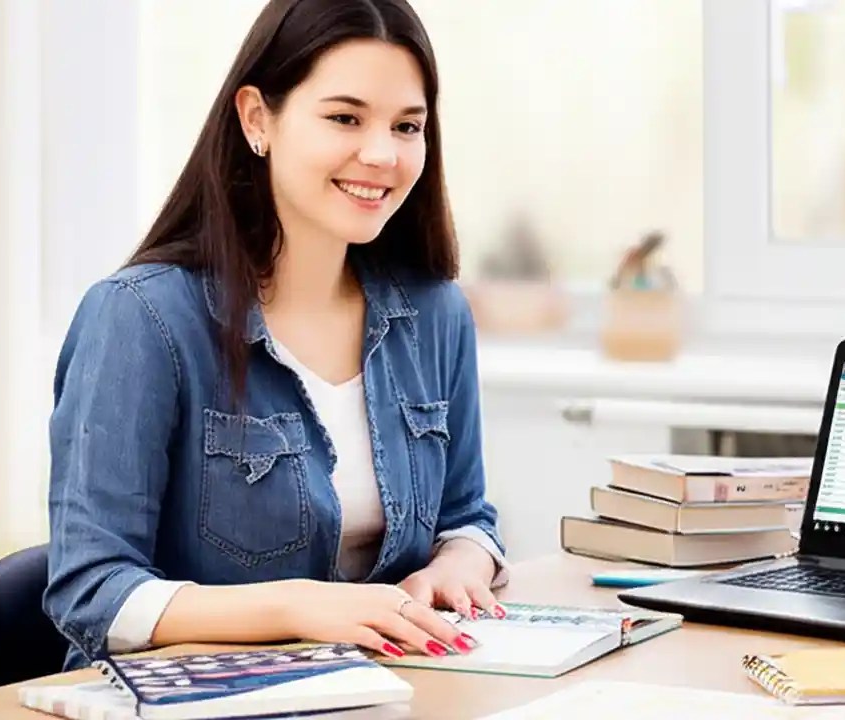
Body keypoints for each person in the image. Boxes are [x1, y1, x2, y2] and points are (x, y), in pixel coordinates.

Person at [44, 0, 507, 672]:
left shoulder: (435, 314)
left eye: (407, 126)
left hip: (383, 690)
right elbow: (92, 592)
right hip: (188, 700)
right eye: (345, 118)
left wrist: (459, 562)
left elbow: (467, 516)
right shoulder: (141, 318)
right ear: (258, 118)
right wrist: (296, 608)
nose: (382, 154)